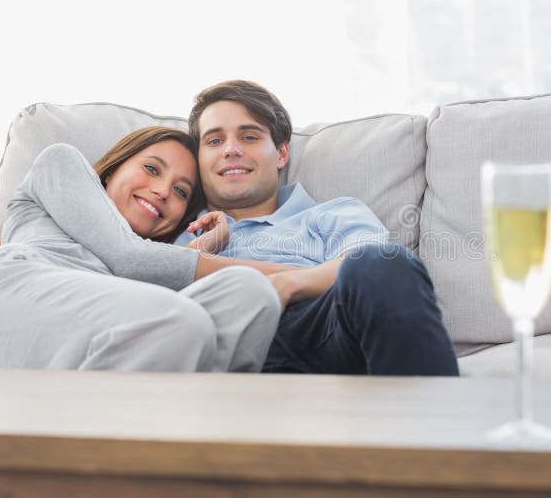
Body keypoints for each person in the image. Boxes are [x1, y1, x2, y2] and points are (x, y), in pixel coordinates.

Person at [176, 80, 460, 376]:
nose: (231, 150)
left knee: (381, 262)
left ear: (282, 154)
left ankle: (431, 416)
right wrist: (203, 248)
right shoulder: (182, 231)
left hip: (324, 329)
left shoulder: (332, 214)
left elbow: (365, 263)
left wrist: (286, 285)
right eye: (214, 141)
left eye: (249, 137)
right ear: (199, 159)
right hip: (227, 341)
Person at [0, 126, 285, 372]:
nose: (163, 191)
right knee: (180, 322)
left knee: (251, 295)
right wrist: (308, 276)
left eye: (181, 192)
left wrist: (203, 245)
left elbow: (138, 262)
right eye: (152, 169)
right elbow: (128, 257)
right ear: (111, 171)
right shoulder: (60, 163)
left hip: (90, 328)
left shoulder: (139, 277)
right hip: (15, 286)